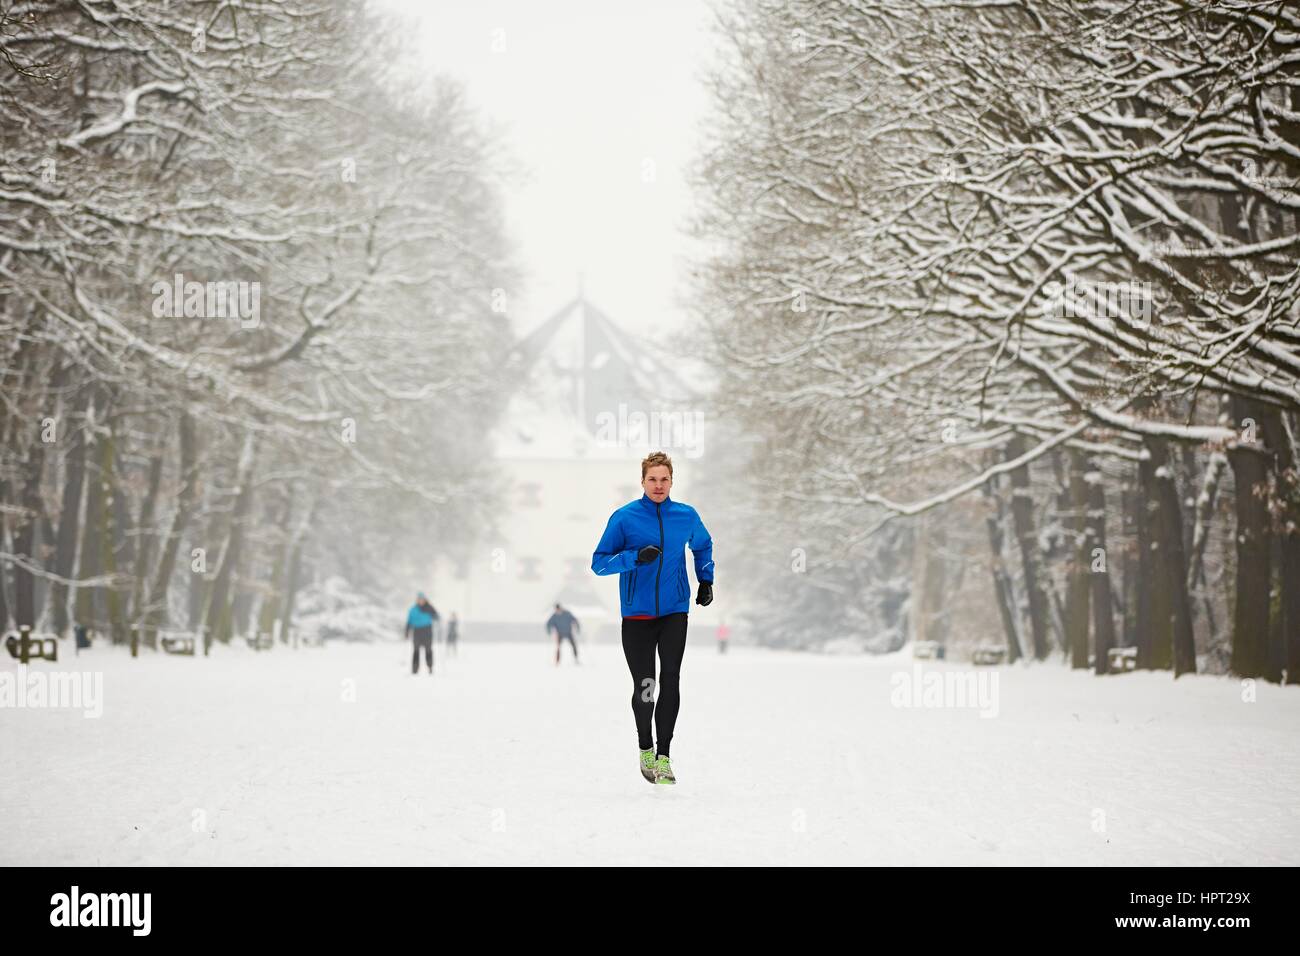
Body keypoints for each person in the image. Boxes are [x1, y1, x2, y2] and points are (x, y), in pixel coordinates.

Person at [591, 450, 714, 785]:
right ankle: (645, 746)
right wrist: (634, 558)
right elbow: (599, 562)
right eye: (652, 479)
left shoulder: (685, 516)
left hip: (675, 609)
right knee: (647, 685)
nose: (658, 485)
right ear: (642, 481)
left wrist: (706, 579)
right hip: (638, 614)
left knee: (671, 679)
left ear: (672, 481)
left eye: (664, 479)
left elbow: (703, 545)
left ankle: (664, 756)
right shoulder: (625, 518)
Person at [405, 592, 439, 675]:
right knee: (416, 650)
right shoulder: (413, 609)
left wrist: (434, 615)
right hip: (417, 631)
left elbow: (437, 617)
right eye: (419, 599)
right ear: (417, 600)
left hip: (427, 630)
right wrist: (407, 631)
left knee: (428, 649)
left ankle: (430, 667)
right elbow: (409, 621)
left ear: (425, 600)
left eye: (422, 599)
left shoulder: (429, 608)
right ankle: (415, 669)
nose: (421, 601)